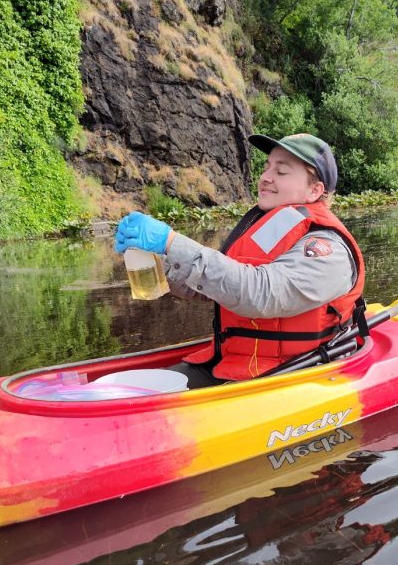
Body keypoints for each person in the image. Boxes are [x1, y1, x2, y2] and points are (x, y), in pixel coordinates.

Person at [114, 133, 366, 387]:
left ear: (315, 190)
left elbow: (260, 294)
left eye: (281, 171)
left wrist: (171, 242)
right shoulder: (271, 229)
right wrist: (157, 261)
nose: (265, 177)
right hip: (235, 365)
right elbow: (216, 288)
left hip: (294, 374)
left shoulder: (328, 250)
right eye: (267, 167)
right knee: (130, 389)